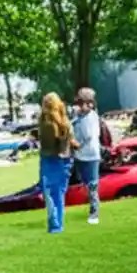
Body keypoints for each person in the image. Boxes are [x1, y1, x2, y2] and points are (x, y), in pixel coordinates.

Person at [37, 93, 74, 234]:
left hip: (49, 159)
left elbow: (46, 143)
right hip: (64, 160)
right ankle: (57, 225)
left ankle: (55, 225)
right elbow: (68, 141)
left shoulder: (45, 123)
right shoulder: (64, 122)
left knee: (50, 194)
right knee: (59, 194)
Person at [70, 87, 103, 224]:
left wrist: (78, 144)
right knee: (85, 183)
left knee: (92, 185)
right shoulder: (77, 116)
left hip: (90, 155)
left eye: (83, 102)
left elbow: (91, 136)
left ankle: (94, 213)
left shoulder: (92, 117)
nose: (81, 105)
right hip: (79, 155)